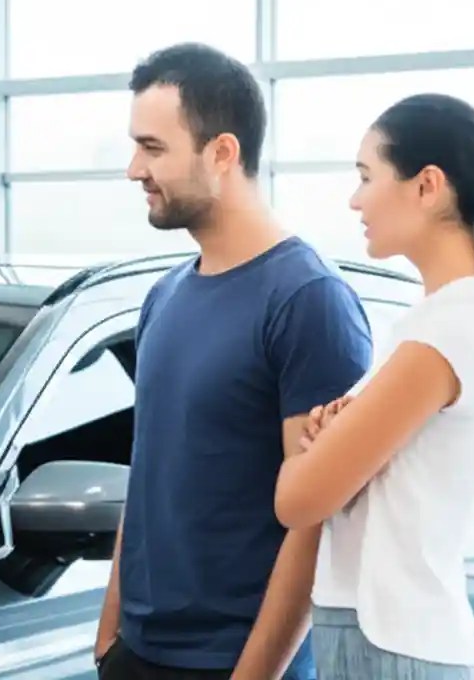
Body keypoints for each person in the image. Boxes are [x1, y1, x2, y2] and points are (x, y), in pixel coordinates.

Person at [94, 43, 374, 680]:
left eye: (154, 148)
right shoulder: (163, 296)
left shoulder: (309, 302)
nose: (135, 169)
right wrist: (112, 630)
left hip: (236, 664)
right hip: (136, 655)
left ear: (222, 152)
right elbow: (148, 471)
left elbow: (317, 522)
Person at [274, 93, 474, 679]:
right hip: (383, 638)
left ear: (427, 186)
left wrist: (311, 453)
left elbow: (297, 501)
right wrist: (324, 449)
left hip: (394, 648)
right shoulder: (442, 317)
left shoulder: (450, 325)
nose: (355, 200)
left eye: (366, 176)